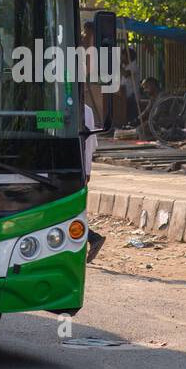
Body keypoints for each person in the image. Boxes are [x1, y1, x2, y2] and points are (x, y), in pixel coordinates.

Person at [81, 103, 106, 262]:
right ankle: (92, 237)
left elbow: (89, 143)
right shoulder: (87, 110)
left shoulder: (84, 110)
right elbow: (92, 144)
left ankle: (92, 237)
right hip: (80, 169)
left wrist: (86, 171)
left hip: (73, 168)